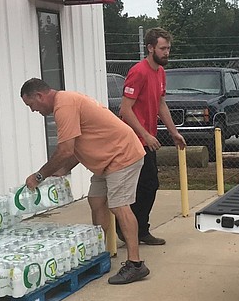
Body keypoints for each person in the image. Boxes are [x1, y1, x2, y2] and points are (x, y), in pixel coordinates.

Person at [20, 78, 150, 285]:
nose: (33, 110)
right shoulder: (66, 103)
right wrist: (63, 170)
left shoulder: (65, 105)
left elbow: (65, 150)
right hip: (106, 159)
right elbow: (77, 145)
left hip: (121, 155)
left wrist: (39, 175)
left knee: (119, 205)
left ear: (39, 96)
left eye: (31, 105)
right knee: (96, 200)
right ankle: (99, 251)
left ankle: (135, 264)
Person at [117, 27, 186, 246]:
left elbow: (160, 104)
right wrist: (145, 135)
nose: (167, 53)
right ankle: (127, 228)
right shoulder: (138, 72)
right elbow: (125, 110)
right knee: (143, 185)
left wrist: (174, 132)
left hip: (149, 139)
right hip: (134, 140)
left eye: (168, 48)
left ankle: (140, 229)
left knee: (149, 185)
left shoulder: (160, 72)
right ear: (150, 48)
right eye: (163, 48)